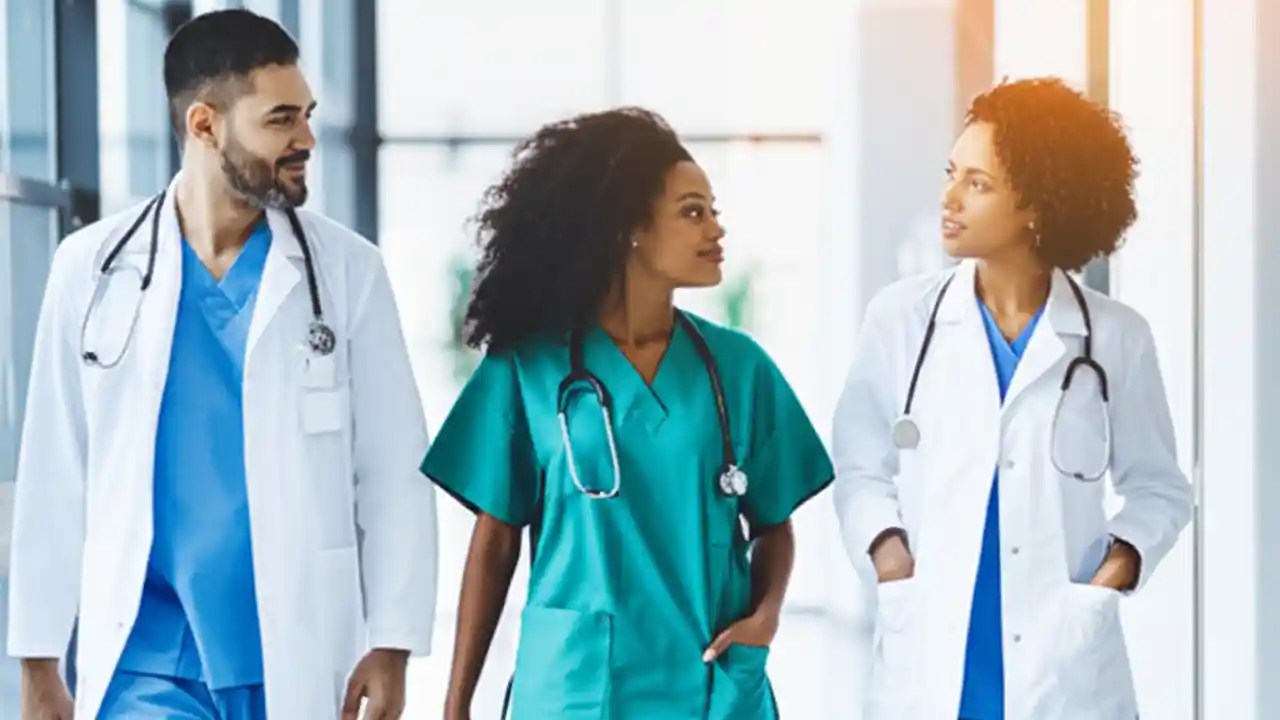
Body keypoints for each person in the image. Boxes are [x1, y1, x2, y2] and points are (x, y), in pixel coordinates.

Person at [7, 10, 438, 719]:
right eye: (280, 120)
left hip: (293, 649)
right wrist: (37, 659)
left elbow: (393, 472)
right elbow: (57, 470)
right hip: (149, 660)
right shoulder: (92, 268)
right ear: (205, 125)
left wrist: (392, 646)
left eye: (308, 115)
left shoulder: (348, 273)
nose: (305, 139)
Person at [421, 107, 833, 719]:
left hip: (707, 682)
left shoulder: (738, 368)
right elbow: (494, 542)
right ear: (627, 228)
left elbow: (773, 523)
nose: (716, 229)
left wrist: (766, 617)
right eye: (693, 212)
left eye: (714, 211)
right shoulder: (528, 367)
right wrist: (455, 704)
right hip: (577, 686)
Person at [831, 77, 1193, 720]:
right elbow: (860, 469)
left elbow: (1160, 489)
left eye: (979, 183)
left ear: (1037, 205)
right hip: (931, 658)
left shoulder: (1114, 338)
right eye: (953, 172)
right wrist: (890, 557)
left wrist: (1112, 574)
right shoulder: (901, 320)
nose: (949, 198)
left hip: (1065, 668)